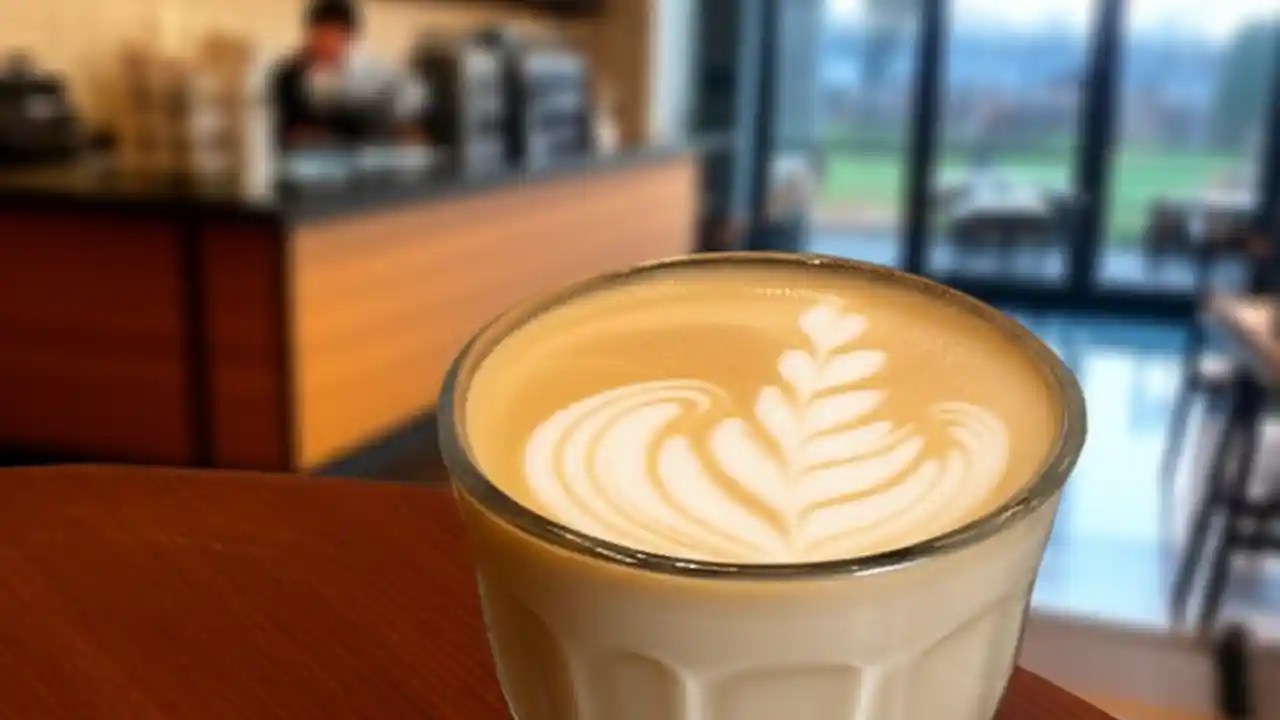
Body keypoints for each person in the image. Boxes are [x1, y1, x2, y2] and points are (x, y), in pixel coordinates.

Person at [271, 0, 422, 148]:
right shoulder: (291, 73)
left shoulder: (376, 73)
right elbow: (289, 129)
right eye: (319, 35)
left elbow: (404, 114)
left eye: (333, 36)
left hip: (365, 150)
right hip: (315, 156)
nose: (325, 44)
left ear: (351, 38)